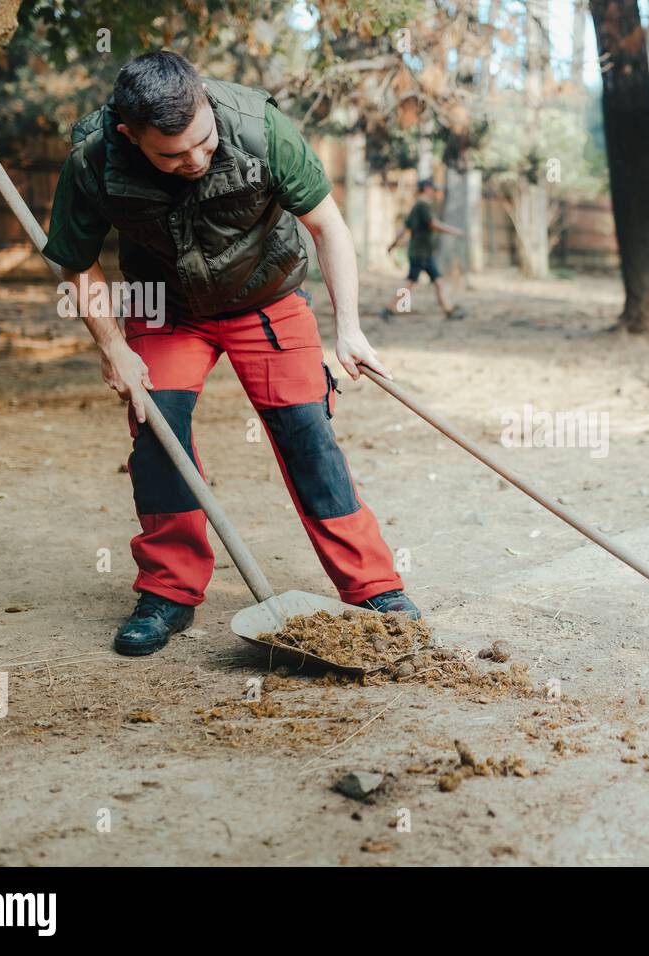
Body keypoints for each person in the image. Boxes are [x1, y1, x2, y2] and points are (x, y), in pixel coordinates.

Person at [42, 50, 419, 657]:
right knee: (156, 426)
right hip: (166, 307)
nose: (194, 160)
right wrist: (114, 349)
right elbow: (76, 260)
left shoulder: (257, 126)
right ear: (128, 135)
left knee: (307, 432)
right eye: (171, 153)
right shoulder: (94, 158)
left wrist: (348, 330)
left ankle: (374, 587)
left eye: (203, 142)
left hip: (265, 297)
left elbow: (328, 225)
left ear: (206, 107)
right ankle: (168, 590)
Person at [380, 179, 466, 321]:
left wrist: (393, 245)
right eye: (433, 189)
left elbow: (405, 228)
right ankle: (389, 309)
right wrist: (455, 232)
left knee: (438, 281)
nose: (434, 192)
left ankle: (448, 311)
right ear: (427, 188)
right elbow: (433, 224)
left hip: (425, 253)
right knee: (409, 283)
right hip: (419, 253)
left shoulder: (417, 206)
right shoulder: (422, 205)